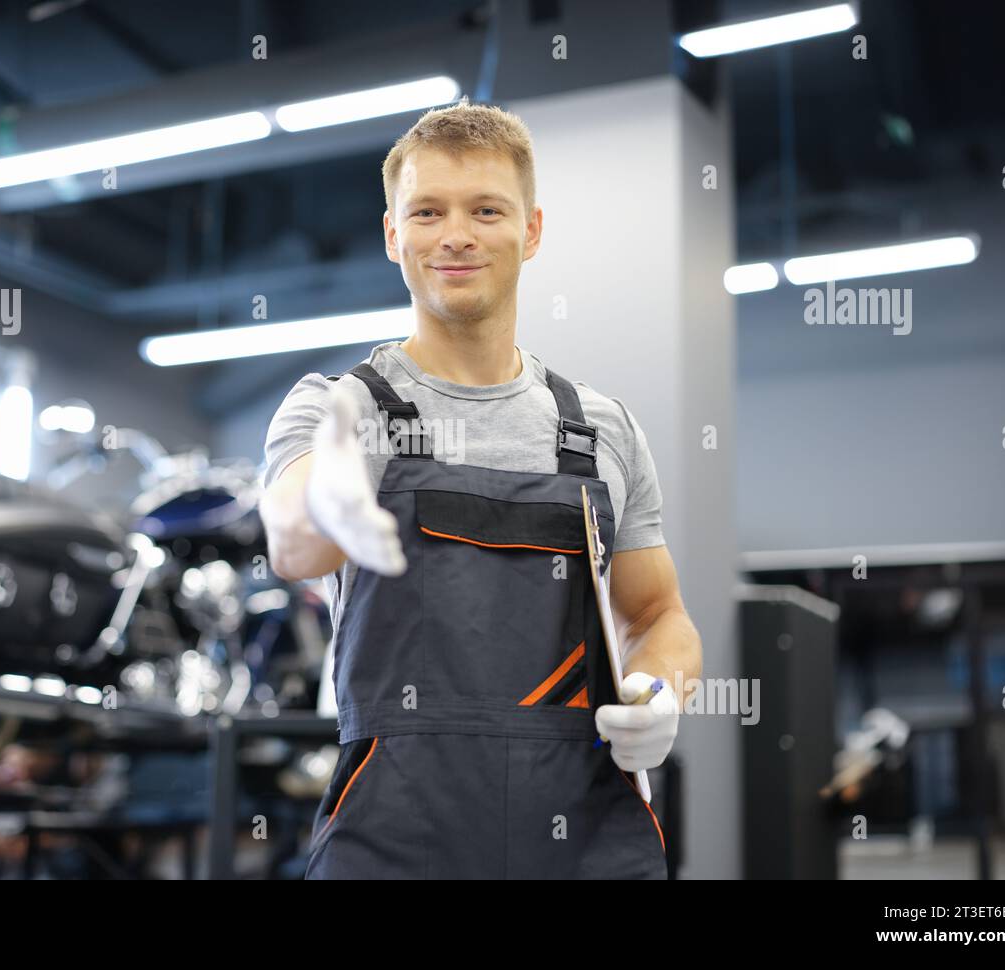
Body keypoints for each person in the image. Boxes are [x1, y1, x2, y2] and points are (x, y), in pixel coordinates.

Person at [260, 99, 702, 879]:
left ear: (532, 231)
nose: (455, 234)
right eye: (427, 211)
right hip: (395, 840)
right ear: (393, 234)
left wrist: (661, 691)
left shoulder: (601, 430)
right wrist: (329, 499)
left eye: (486, 210)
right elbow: (294, 540)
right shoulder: (341, 408)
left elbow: (658, 613)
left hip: (587, 842)